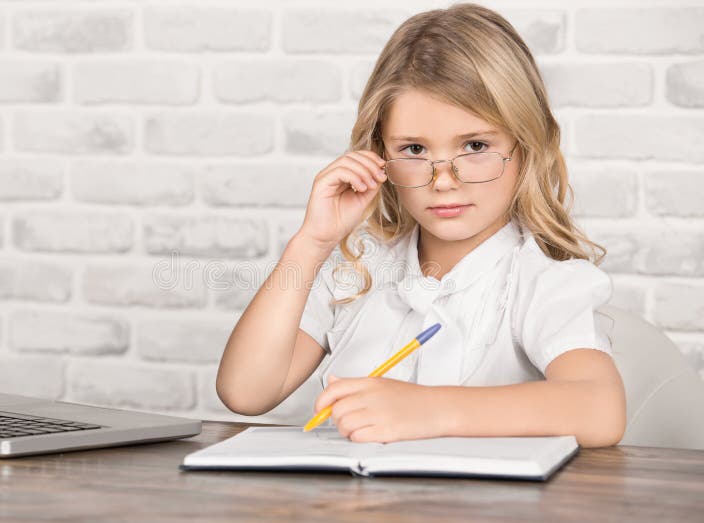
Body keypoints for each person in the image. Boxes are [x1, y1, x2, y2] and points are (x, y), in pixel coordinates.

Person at [216, 3, 626, 448]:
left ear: (525, 147)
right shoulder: (355, 273)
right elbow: (245, 392)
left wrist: (428, 408)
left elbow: (600, 409)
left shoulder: (543, 282)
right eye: (413, 149)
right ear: (379, 155)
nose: (443, 180)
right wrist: (311, 243)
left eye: (474, 145)